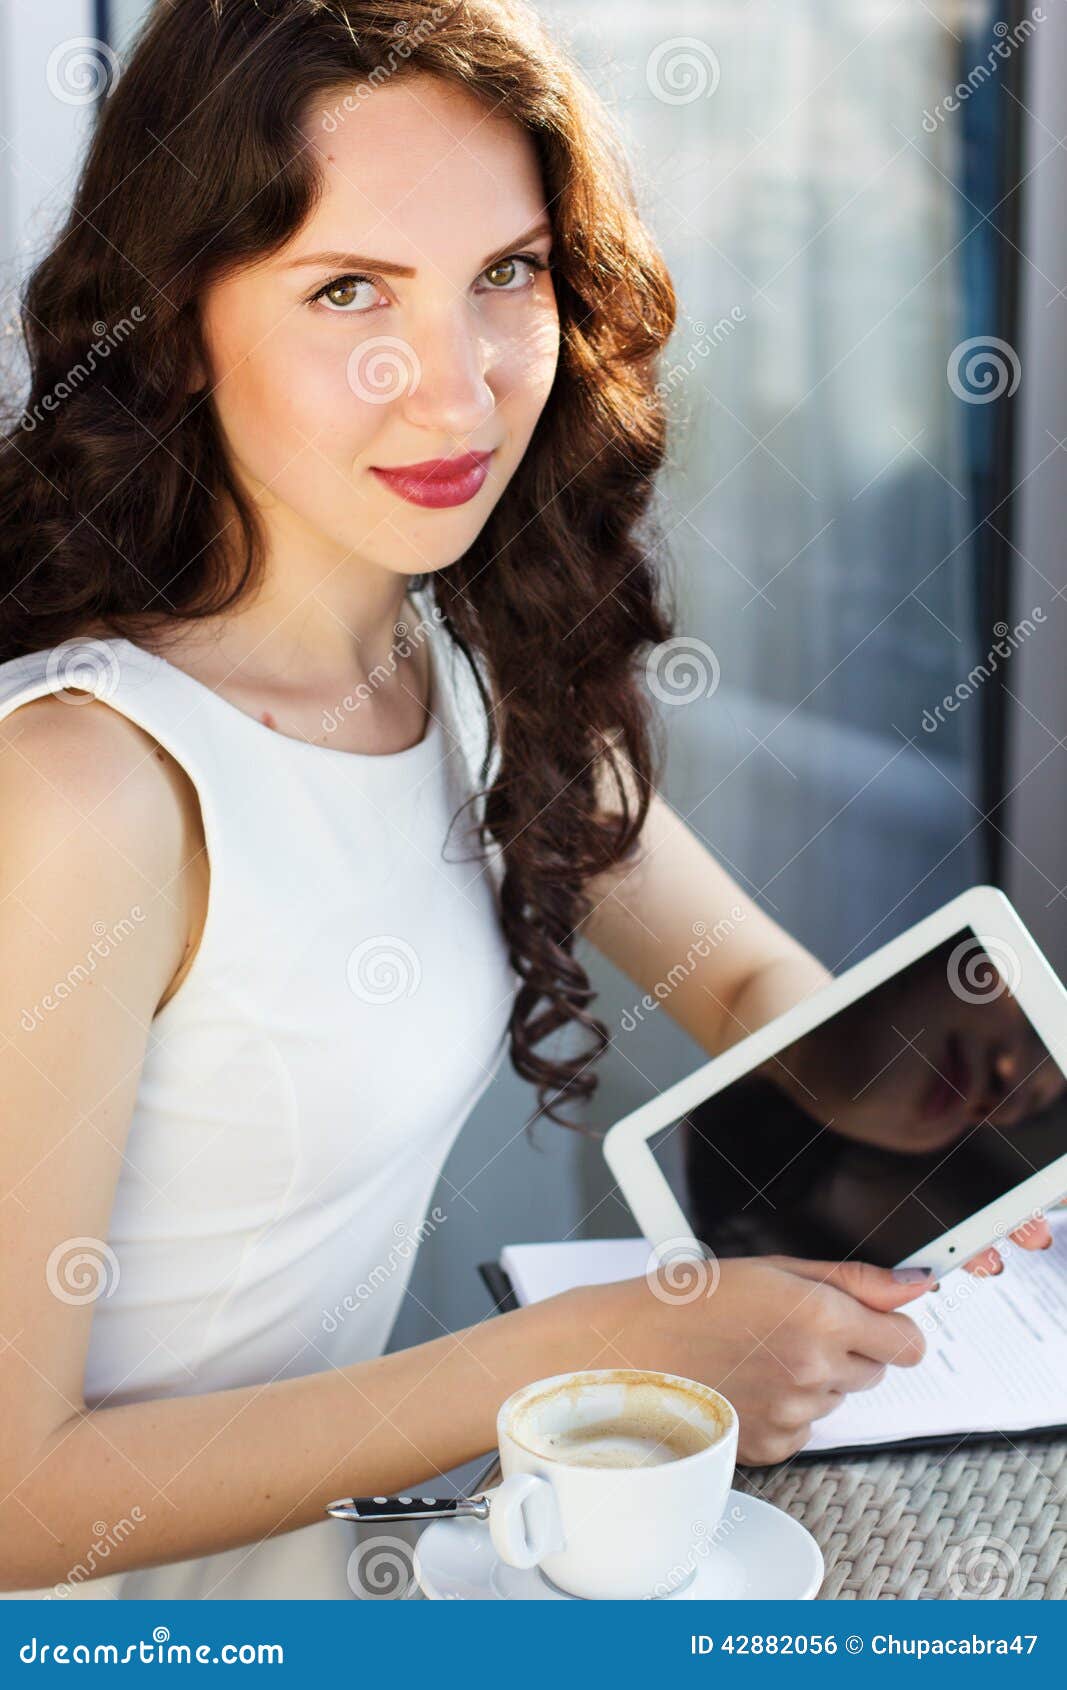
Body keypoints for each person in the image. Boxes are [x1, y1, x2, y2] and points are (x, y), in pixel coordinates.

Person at [0, 0, 1047, 1599]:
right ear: (173, 322)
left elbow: (750, 982)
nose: (458, 390)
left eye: (508, 274)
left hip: (342, 1584)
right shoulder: (86, 788)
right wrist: (583, 1348)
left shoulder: (456, 669)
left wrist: (943, 1100)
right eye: (349, 288)